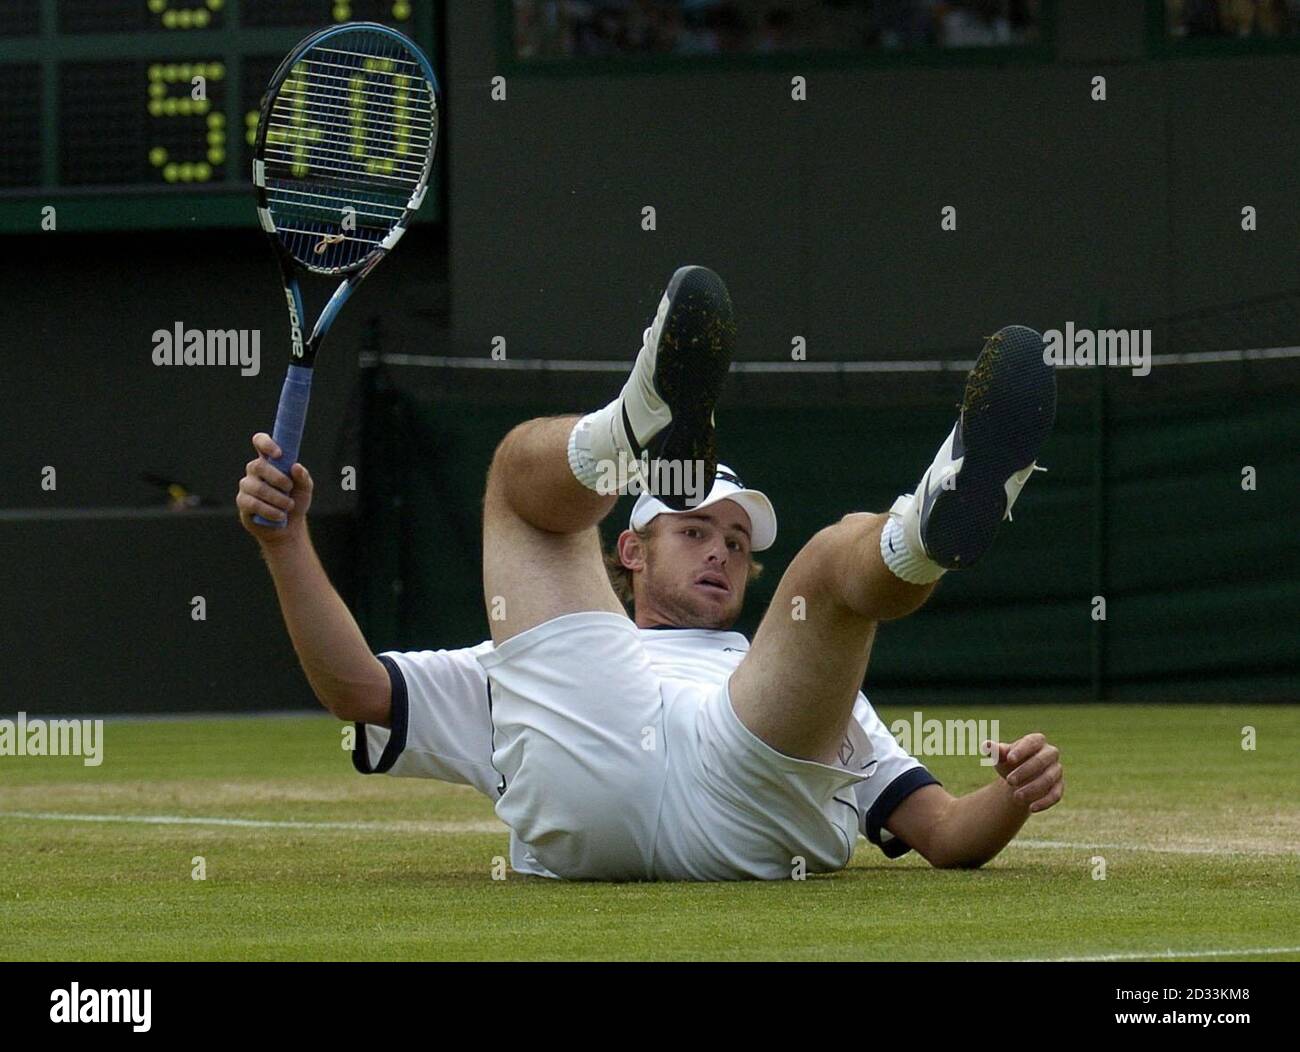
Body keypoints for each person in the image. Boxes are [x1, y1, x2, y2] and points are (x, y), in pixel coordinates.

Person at [237, 265, 1064, 881]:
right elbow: (353, 689)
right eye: (695, 530)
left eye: (738, 542)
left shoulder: (774, 663)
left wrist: (1012, 794)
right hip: (598, 736)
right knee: (523, 487)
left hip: (748, 773)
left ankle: (922, 531)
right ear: (630, 551)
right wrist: (285, 542)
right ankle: (630, 430)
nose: (722, 551)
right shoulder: (520, 666)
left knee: (829, 557)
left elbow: (948, 835)